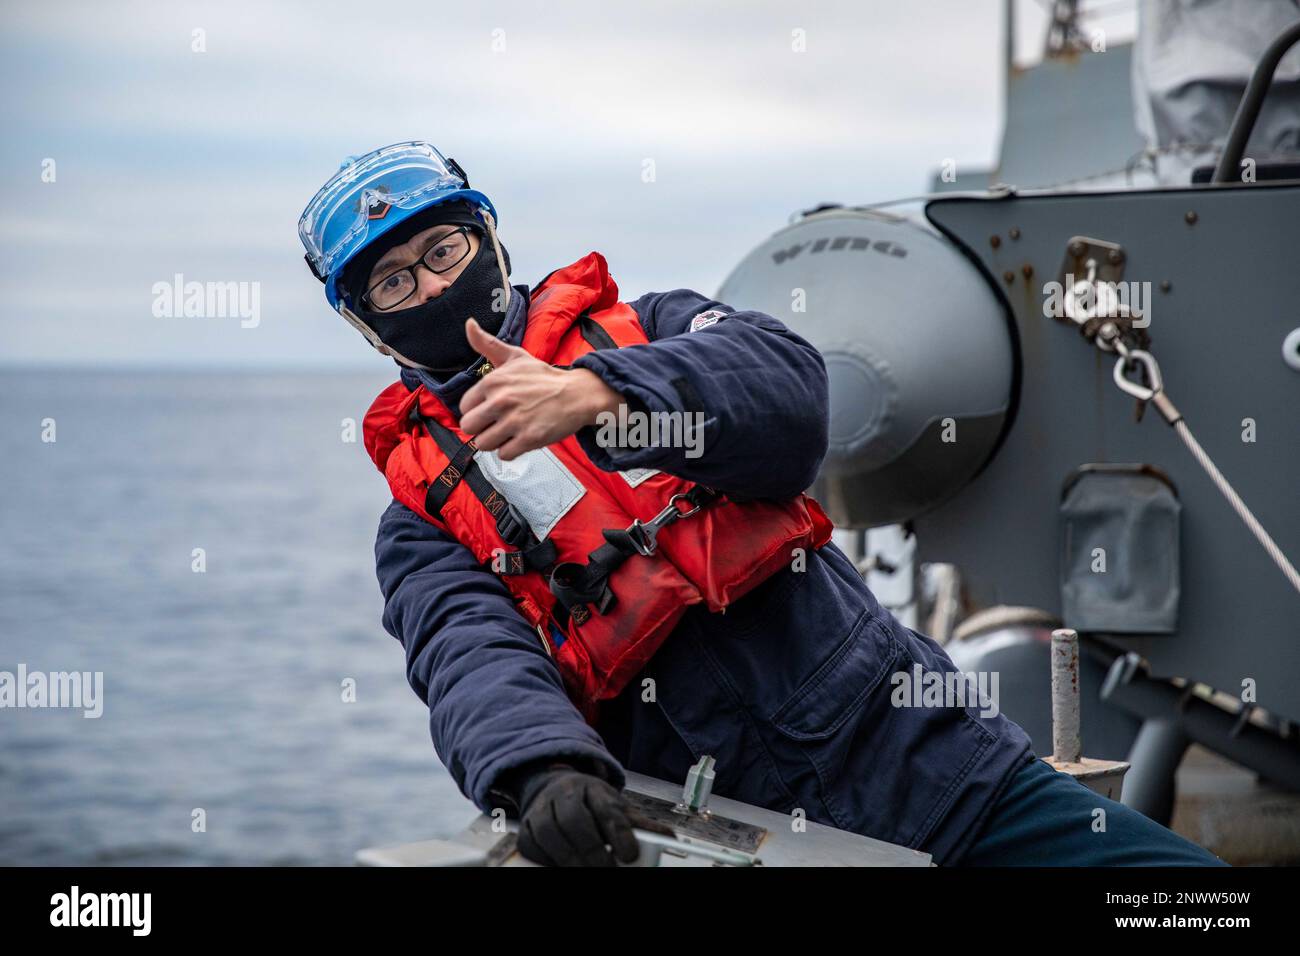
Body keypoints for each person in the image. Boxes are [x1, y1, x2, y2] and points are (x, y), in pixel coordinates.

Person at [299, 141, 1226, 867]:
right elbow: (468, 656)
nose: (429, 285)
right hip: (723, 832)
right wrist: (540, 771)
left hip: (929, 763)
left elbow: (791, 400)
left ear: (490, 241)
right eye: (392, 281)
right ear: (368, 327)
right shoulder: (421, 522)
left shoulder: (655, 326)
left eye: (443, 250)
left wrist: (604, 394)